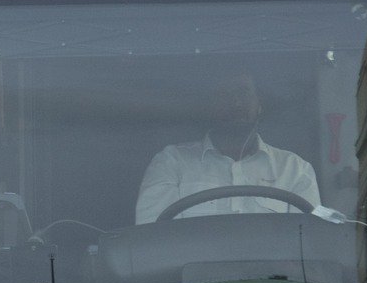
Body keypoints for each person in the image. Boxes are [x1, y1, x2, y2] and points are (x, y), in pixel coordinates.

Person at [135, 71, 322, 222]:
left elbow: (307, 246)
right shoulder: (171, 162)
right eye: (224, 95)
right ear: (209, 105)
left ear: (260, 104)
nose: (236, 103)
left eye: (243, 92)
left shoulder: (295, 169)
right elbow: (153, 241)